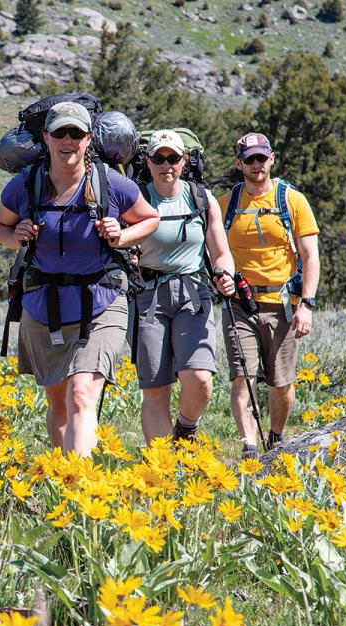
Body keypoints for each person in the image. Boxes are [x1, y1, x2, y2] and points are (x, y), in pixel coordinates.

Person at [0, 102, 160, 457]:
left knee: (81, 393)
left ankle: (78, 485)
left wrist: (123, 236)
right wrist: (15, 235)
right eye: (61, 134)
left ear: (89, 139)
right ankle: (62, 478)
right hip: (43, 304)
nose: (69, 141)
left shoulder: (110, 182)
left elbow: (149, 218)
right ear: (46, 138)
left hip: (102, 299)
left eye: (77, 134)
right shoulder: (27, 184)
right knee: (59, 404)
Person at [218, 132, 320, 457]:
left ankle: (275, 437)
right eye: (249, 159)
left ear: (272, 159)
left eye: (262, 158)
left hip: (283, 305)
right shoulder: (226, 204)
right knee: (242, 377)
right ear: (239, 163)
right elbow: (211, 250)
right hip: (240, 305)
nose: (256, 165)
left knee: (281, 383)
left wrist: (307, 304)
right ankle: (249, 445)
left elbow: (310, 256)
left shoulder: (292, 200)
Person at [132, 130, 236, 446]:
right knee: (156, 389)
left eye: (173, 158)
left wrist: (225, 273)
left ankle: (186, 429)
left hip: (194, 292)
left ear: (184, 160)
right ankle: (164, 470)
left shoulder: (201, 199)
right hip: (147, 296)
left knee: (201, 379)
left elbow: (220, 251)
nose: (167, 165)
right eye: (159, 158)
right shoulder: (136, 200)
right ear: (147, 162)